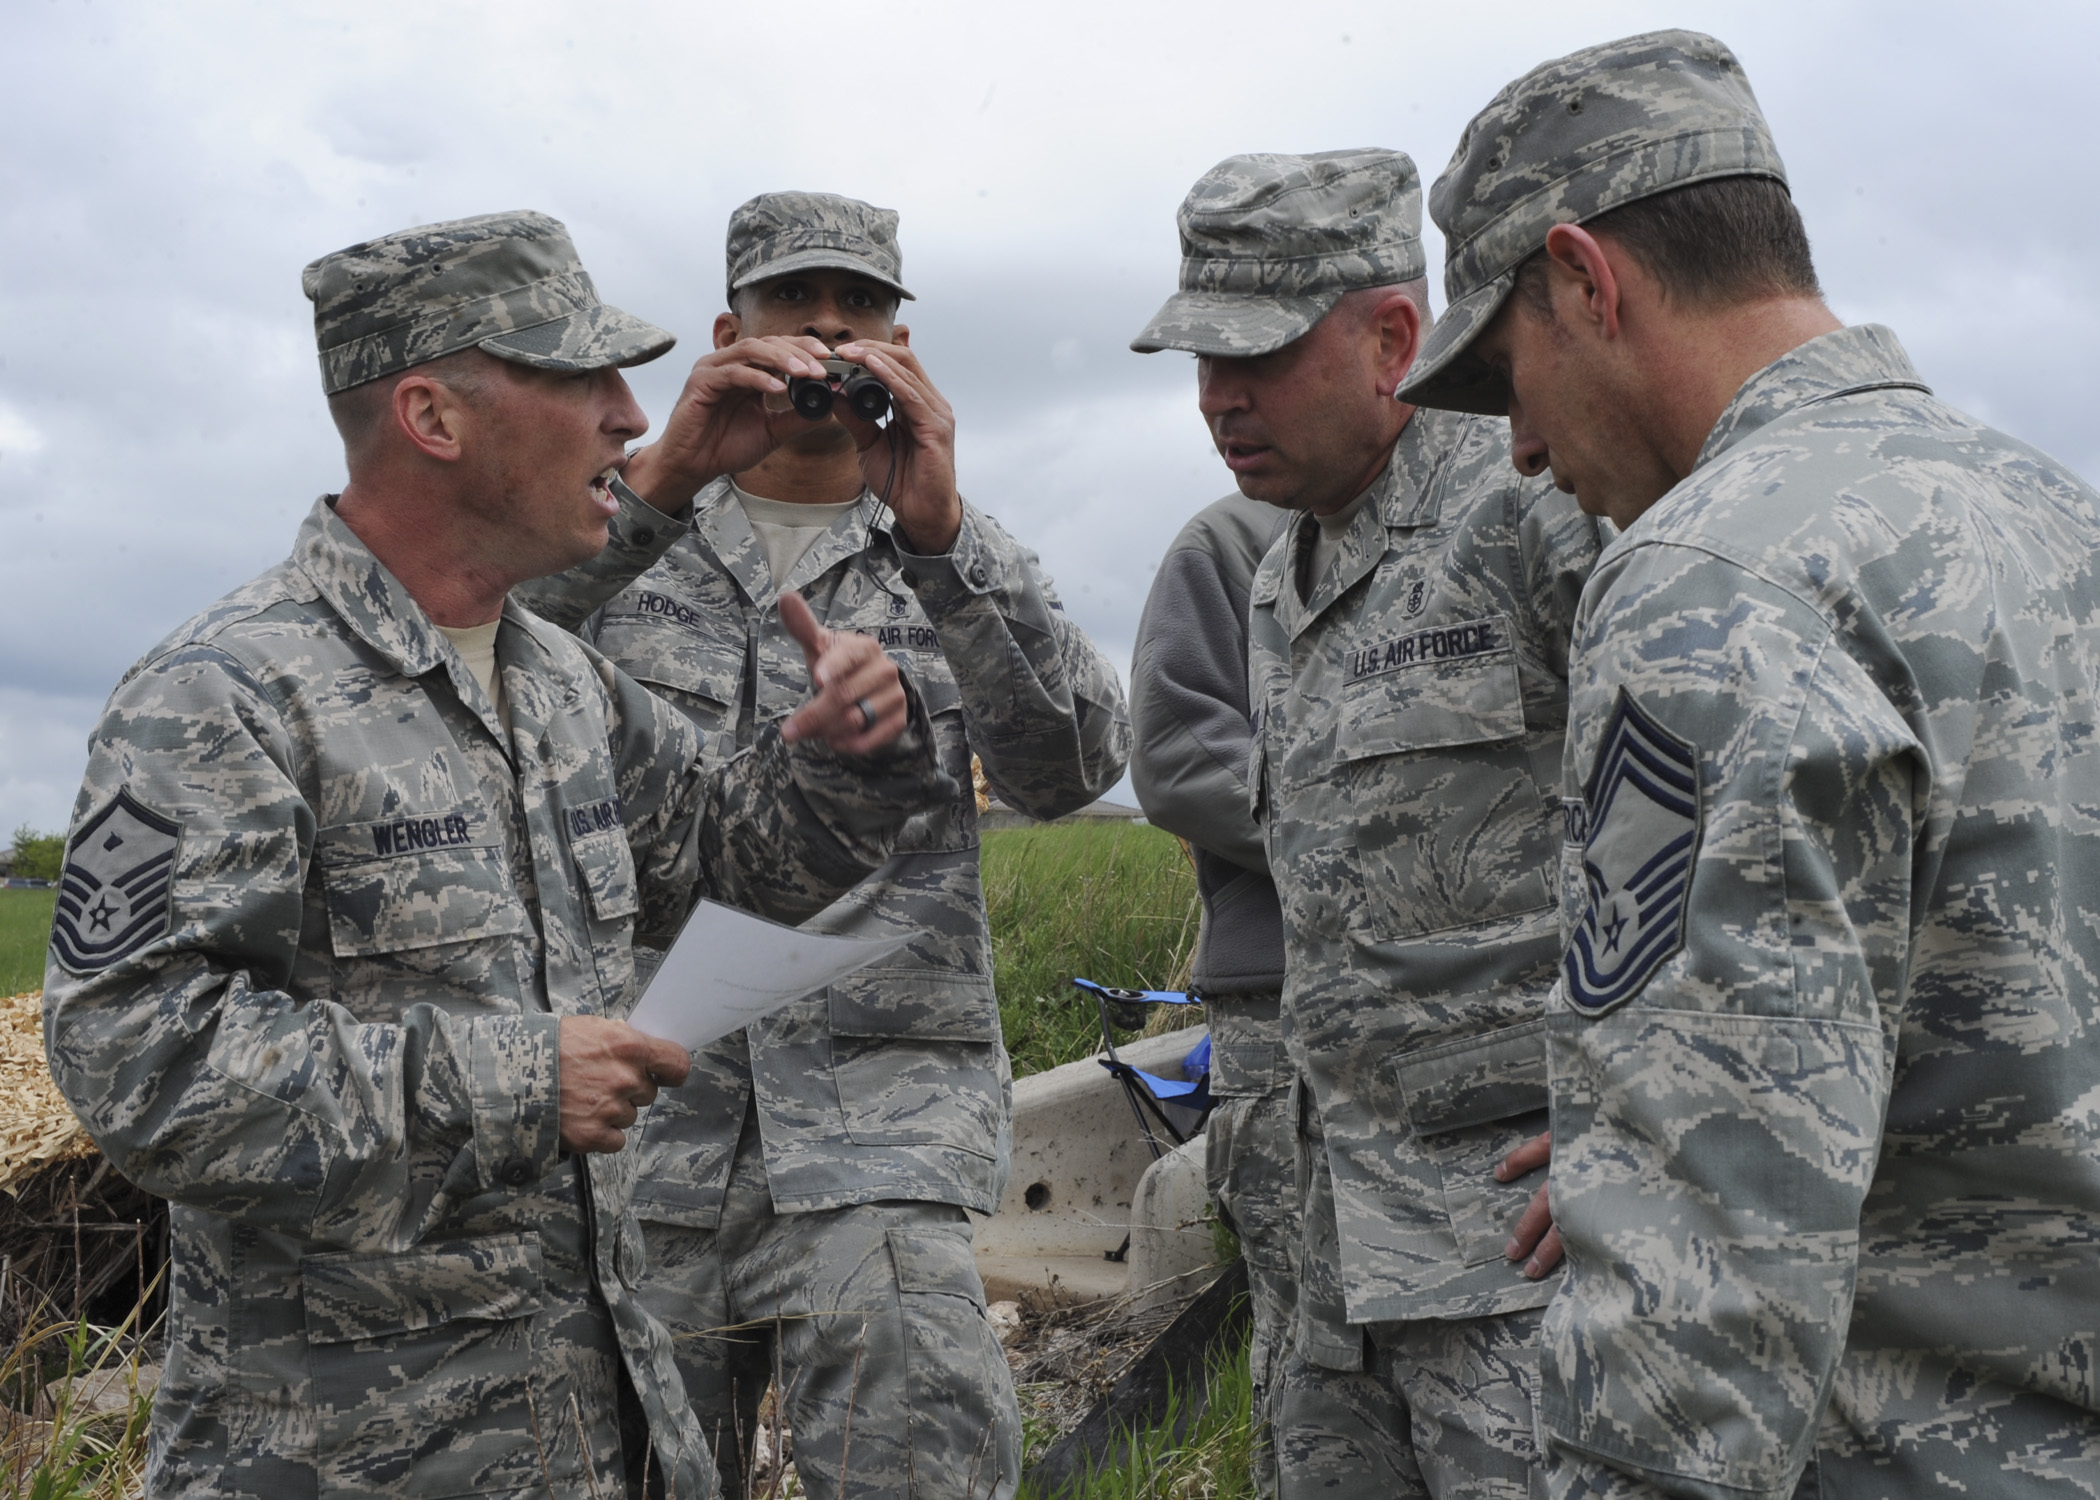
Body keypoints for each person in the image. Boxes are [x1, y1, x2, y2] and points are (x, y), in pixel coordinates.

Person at [42, 209, 951, 1500]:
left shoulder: (564, 683)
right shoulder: (219, 695)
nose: (630, 418)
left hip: (596, 1445)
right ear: (434, 416)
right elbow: (130, 1053)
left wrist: (857, 757)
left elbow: (738, 860)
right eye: (582, 378)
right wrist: (517, 1080)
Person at [1400, 29, 2100, 1498]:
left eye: (1513, 375)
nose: (1519, 449)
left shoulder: (1705, 584)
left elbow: (1694, 1297)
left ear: (1587, 282)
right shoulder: (2051, 517)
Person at [516, 191, 1130, 1500]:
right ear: (731, 332)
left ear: (904, 343)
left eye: (861, 311)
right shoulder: (622, 546)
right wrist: (664, 476)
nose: (831, 337)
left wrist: (947, 538)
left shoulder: (943, 541)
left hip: (885, 1134)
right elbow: (463, 678)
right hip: (647, 1127)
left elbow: (1074, 764)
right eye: (799, 309)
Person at [1131, 151, 1602, 1498]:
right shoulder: (1289, 563)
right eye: (1200, 364)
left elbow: (1727, 810)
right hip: (1328, 1268)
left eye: (1256, 359)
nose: (1217, 400)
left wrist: (1652, 1101)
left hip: (1515, 1270)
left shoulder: (1539, 507)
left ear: (1393, 339)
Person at [1129, 491, 1291, 1492]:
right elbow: (1180, 758)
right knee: (1306, 1341)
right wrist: (1373, 833)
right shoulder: (1233, 544)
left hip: (1500, 1018)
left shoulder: (1531, 504)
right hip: (1281, 1005)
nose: (1223, 399)